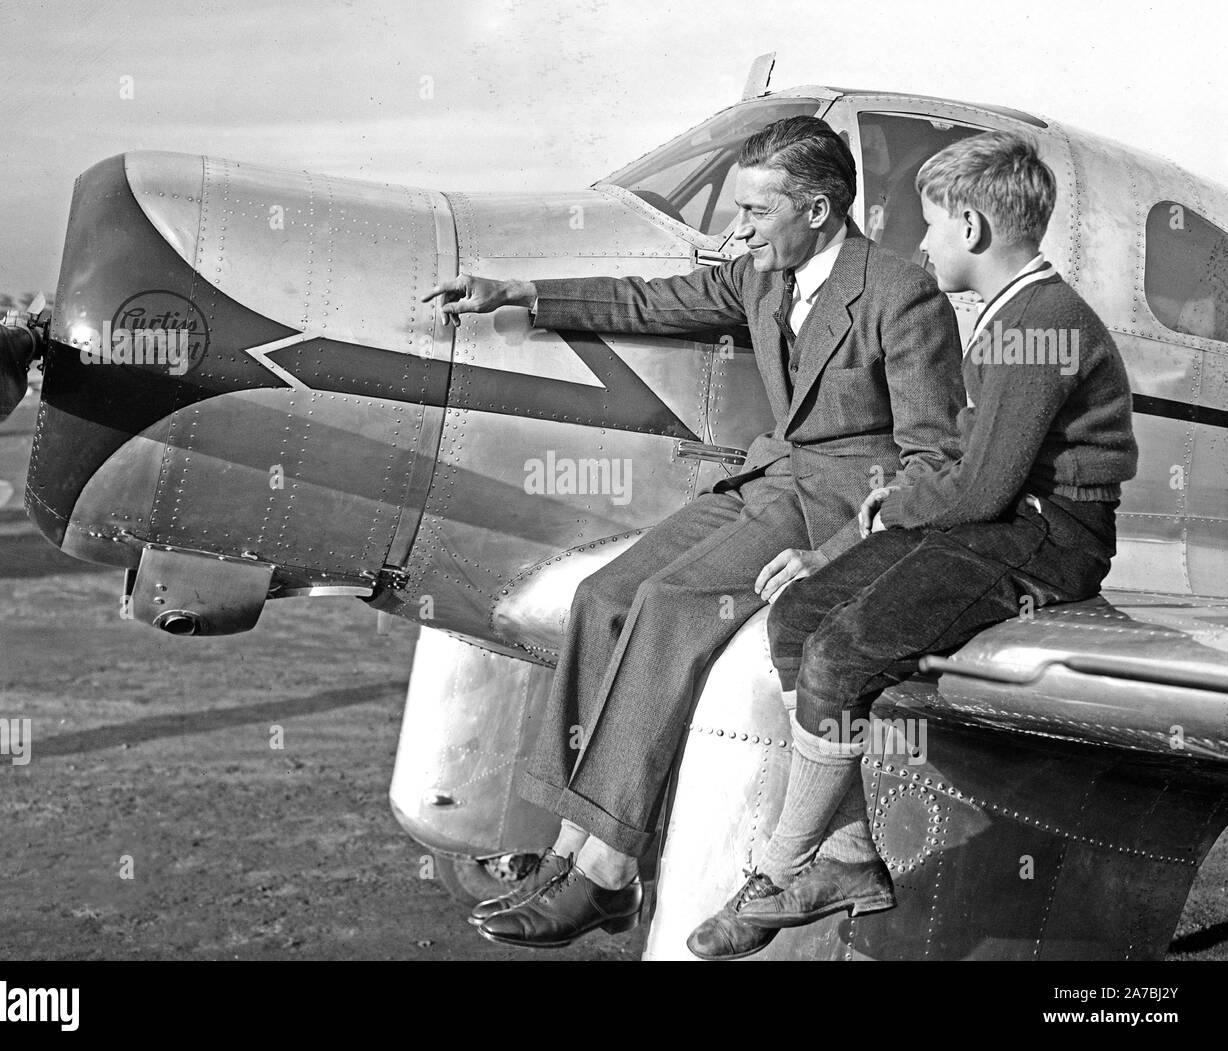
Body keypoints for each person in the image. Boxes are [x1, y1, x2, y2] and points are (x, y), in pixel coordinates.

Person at [421, 116, 965, 950]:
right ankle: (571, 848)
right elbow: (654, 300)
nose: (734, 228)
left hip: (836, 504)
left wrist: (839, 554)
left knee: (671, 605)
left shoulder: (901, 293)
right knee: (603, 595)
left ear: (817, 210)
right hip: (767, 476)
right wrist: (525, 294)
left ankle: (608, 874)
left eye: (754, 211)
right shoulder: (762, 275)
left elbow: (934, 457)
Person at [696, 130, 1139, 958]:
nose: (923, 243)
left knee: (842, 653)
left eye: (931, 225)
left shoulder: (1038, 324)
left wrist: (891, 503)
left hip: (1049, 534)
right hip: (1007, 516)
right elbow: (973, 472)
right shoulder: (1012, 314)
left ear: (970, 229)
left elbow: (979, 488)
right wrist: (896, 504)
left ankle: (780, 864)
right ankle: (851, 853)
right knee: (799, 619)